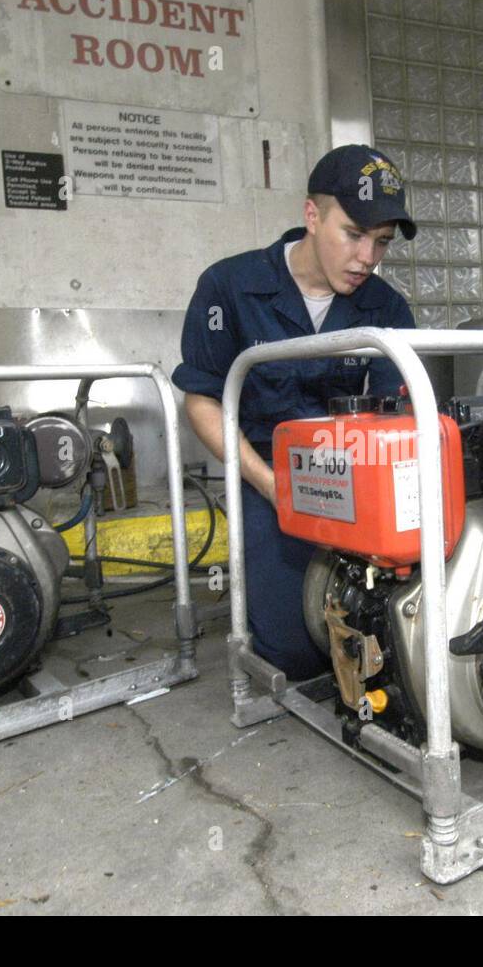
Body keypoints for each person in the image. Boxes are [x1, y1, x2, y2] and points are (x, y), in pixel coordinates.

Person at [173, 145, 417, 680]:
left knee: (396, 633)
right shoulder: (229, 288)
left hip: (352, 478)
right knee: (296, 655)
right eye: (353, 234)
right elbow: (203, 398)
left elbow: (398, 418)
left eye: (381, 243)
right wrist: (268, 484)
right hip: (268, 478)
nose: (367, 258)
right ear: (312, 215)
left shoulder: (387, 308)